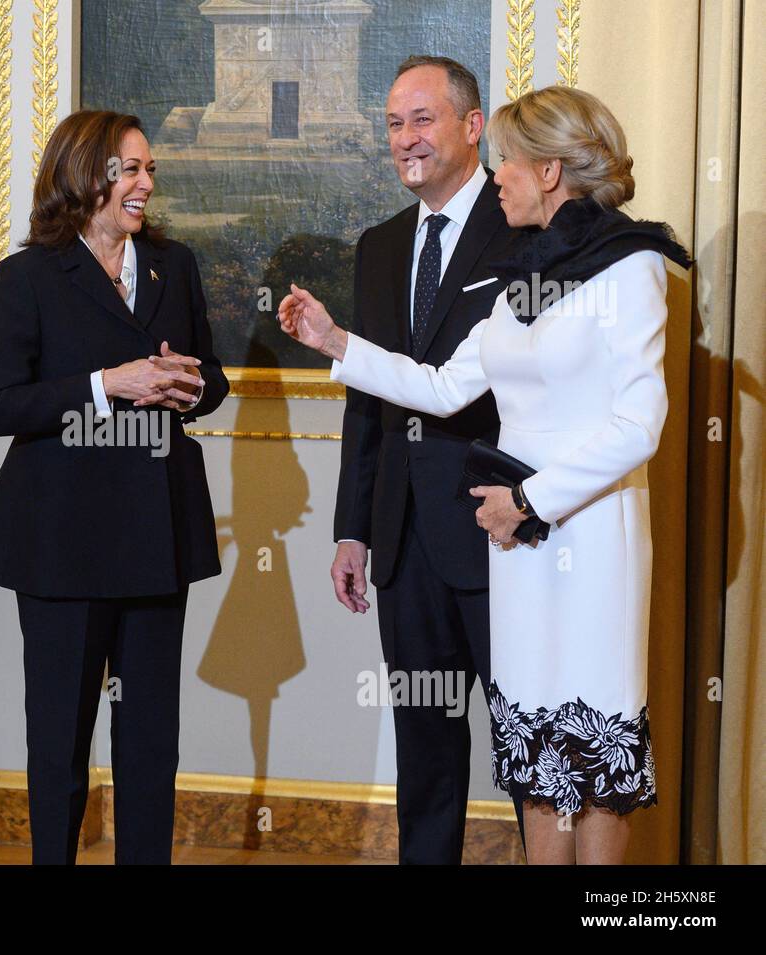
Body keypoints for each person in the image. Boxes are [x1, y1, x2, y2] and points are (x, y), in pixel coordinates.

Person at [279, 84, 690, 864]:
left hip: (589, 536)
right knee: (533, 747)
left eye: (508, 160)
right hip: (519, 549)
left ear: (551, 170)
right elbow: (442, 387)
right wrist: (338, 342)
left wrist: (529, 501)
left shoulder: (631, 266)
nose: (497, 176)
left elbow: (640, 423)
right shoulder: (522, 279)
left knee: (594, 755)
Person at [0, 109, 228, 864]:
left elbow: (211, 380)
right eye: (132, 170)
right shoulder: (29, 277)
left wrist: (190, 387)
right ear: (87, 176)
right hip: (62, 542)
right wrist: (107, 383)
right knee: (59, 739)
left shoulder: (175, 265)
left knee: (151, 740)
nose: (147, 184)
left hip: (158, 533)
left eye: (150, 170)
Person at [332, 55, 522, 863]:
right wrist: (352, 530)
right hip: (403, 545)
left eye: (422, 119)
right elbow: (368, 402)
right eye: (393, 125)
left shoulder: (522, 231)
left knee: (529, 753)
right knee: (426, 759)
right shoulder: (377, 248)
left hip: (504, 537)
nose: (404, 139)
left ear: (471, 126)